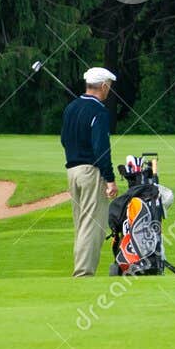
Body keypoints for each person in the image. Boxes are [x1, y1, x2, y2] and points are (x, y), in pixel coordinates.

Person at [61, 67, 118, 277]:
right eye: (109, 87)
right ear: (103, 86)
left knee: (81, 225)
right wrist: (110, 179)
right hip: (91, 171)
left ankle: (81, 270)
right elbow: (101, 148)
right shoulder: (99, 112)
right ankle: (84, 274)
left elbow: (64, 141)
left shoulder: (71, 108)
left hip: (72, 171)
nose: (109, 91)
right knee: (92, 226)